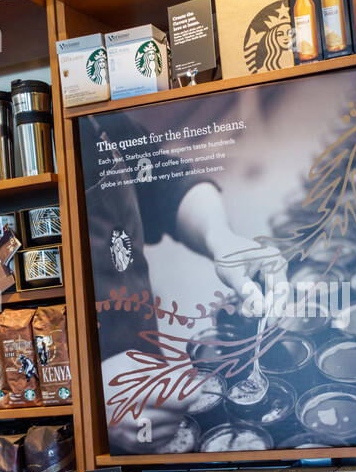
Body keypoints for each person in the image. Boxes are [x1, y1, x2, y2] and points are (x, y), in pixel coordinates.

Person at [79, 114, 286, 453]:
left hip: (146, 392)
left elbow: (164, 184)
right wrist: (88, 395)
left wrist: (220, 238)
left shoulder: (95, 117)